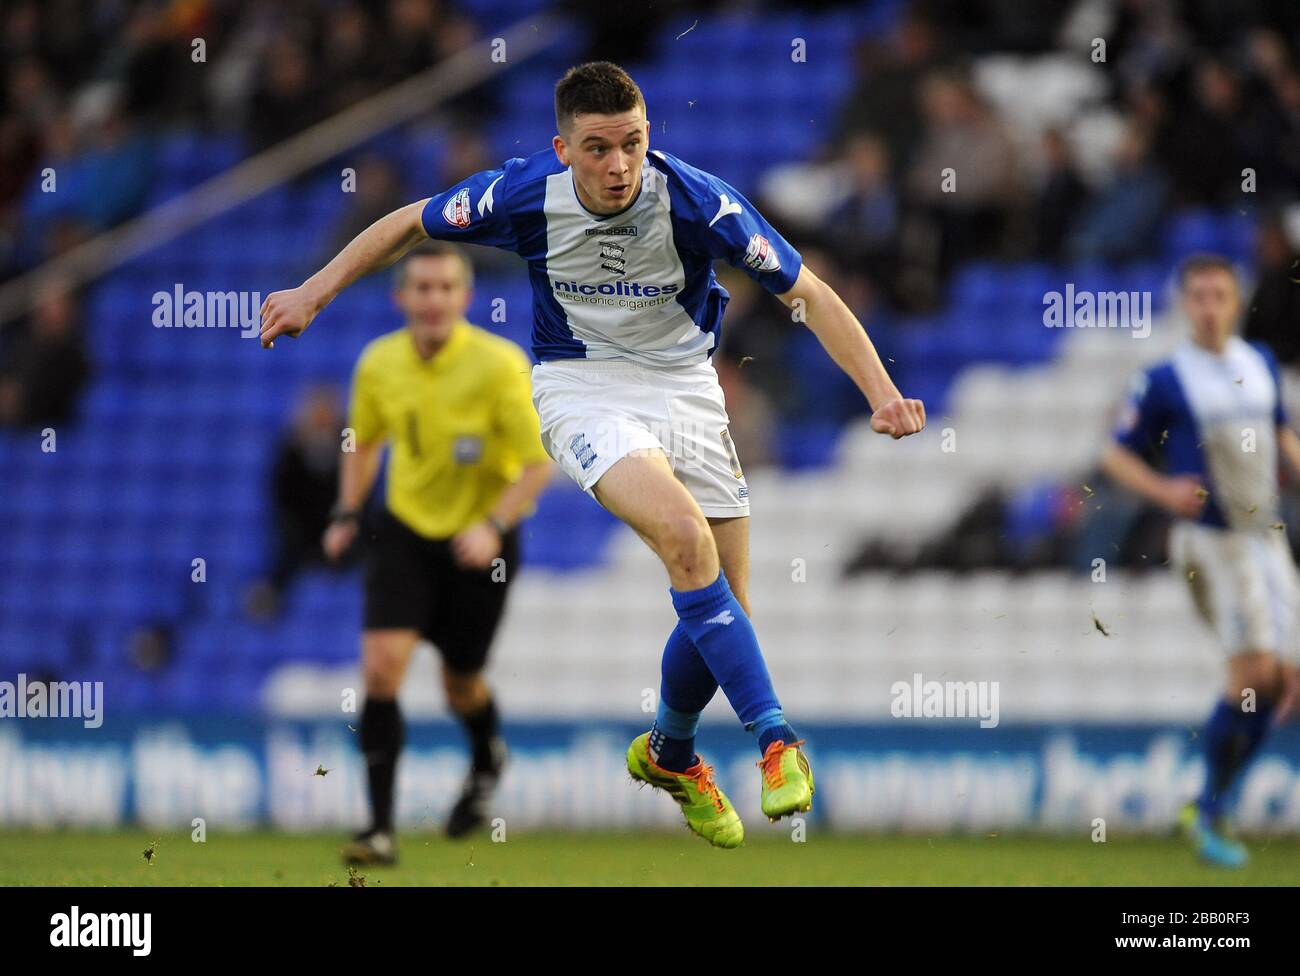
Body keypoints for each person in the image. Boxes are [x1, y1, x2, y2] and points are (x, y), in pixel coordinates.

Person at [261, 61, 924, 849]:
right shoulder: (519, 193)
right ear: (563, 148)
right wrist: (313, 291)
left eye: (633, 145)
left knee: (726, 611)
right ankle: (777, 740)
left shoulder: (698, 200)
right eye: (599, 148)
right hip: (582, 387)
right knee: (686, 540)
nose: (618, 166)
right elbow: (408, 223)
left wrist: (881, 392)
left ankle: (670, 752)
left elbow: (807, 293)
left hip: (687, 386)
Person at [325, 240, 554, 863]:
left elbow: (536, 464)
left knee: (460, 686)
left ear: (465, 297)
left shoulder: (501, 366)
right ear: (401, 297)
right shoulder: (378, 364)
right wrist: (348, 510)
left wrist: (491, 525)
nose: (432, 300)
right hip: (403, 533)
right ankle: (378, 829)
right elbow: (364, 441)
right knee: (381, 668)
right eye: (420, 289)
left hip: (479, 544)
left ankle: (486, 757)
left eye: (444, 288)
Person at [1102, 253, 1300, 867]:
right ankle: (1208, 806)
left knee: (1286, 680)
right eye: (1199, 297)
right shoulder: (1166, 379)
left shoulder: (1259, 364)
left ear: (1235, 302)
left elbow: (1280, 432)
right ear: (1186, 305)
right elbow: (1115, 455)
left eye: (1220, 296)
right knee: (1254, 672)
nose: (1210, 308)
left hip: (1265, 536)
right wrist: (1163, 491)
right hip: (1210, 539)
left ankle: (1212, 804)